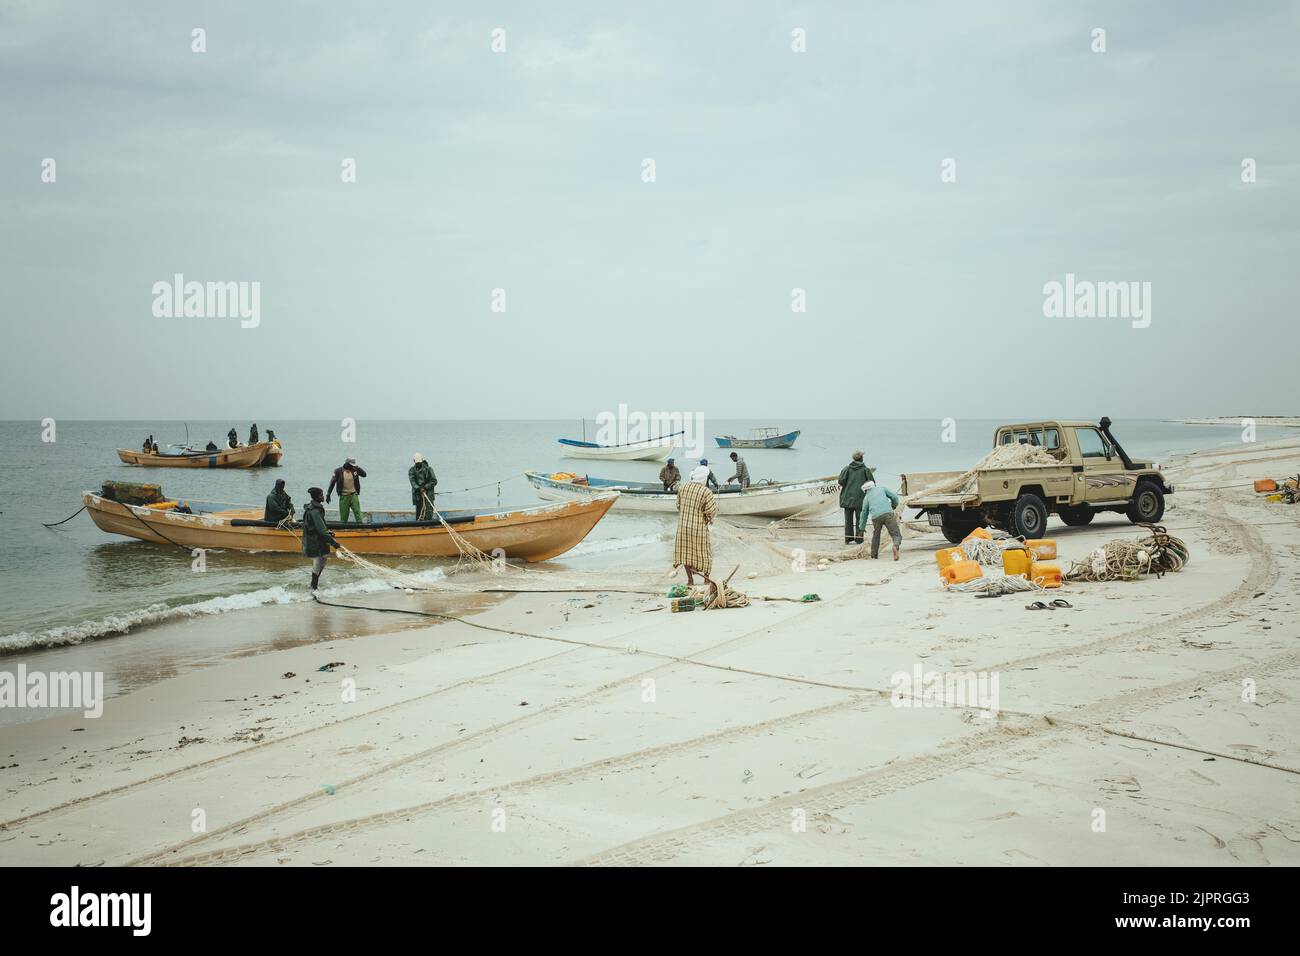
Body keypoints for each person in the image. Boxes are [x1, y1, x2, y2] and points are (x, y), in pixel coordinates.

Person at [673, 466, 719, 586]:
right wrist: (708, 519)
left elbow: (678, 505)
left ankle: (690, 580)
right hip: (698, 528)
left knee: (686, 553)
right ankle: (706, 579)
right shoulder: (706, 491)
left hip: (683, 527)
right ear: (704, 478)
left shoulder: (682, 488)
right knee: (704, 552)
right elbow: (711, 510)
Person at [301, 487, 340, 591]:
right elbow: (321, 531)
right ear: (317, 497)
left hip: (319, 541)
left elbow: (322, 527)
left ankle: (313, 586)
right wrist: (334, 543)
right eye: (321, 495)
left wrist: (328, 532)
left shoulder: (316, 509)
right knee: (317, 565)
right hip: (315, 542)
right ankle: (314, 589)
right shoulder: (314, 512)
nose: (323, 497)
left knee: (322, 563)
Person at [859, 479, 902, 561]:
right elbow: (895, 497)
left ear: (865, 490)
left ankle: (874, 555)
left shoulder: (866, 497)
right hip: (888, 514)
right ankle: (895, 546)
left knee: (876, 536)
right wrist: (893, 505)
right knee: (896, 534)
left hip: (875, 518)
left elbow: (864, 513)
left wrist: (862, 527)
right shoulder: (882, 488)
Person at [838, 451, 874, 544]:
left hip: (847, 499)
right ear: (861, 458)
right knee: (860, 519)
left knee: (848, 520)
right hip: (860, 499)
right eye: (862, 456)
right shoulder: (865, 470)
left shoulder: (846, 469)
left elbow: (841, 481)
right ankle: (859, 539)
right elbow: (872, 484)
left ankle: (848, 539)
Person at [326, 458, 366, 523]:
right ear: (346, 463)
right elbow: (332, 482)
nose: (352, 466)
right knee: (343, 517)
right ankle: (343, 529)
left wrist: (358, 467)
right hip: (344, 496)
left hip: (354, 495)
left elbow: (364, 475)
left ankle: (360, 528)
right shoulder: (338, 471)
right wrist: (328, 494)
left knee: (358, 513)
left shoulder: (354, 470)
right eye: (351, 465)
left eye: (353, 465)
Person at [409, 453, 438, 519]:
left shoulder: (429, 469)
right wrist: (419, 488)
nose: (418, 464)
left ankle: (429, 525)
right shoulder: (411, 471)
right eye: (417, 463)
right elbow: (413, 482)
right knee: (419, 513)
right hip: (418, 496)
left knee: (428, 513)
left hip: (428, 495)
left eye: (419, 462)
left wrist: (425, 487)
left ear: (422, 460)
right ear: (414, 461)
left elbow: (434, 481)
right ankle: (419, 526)